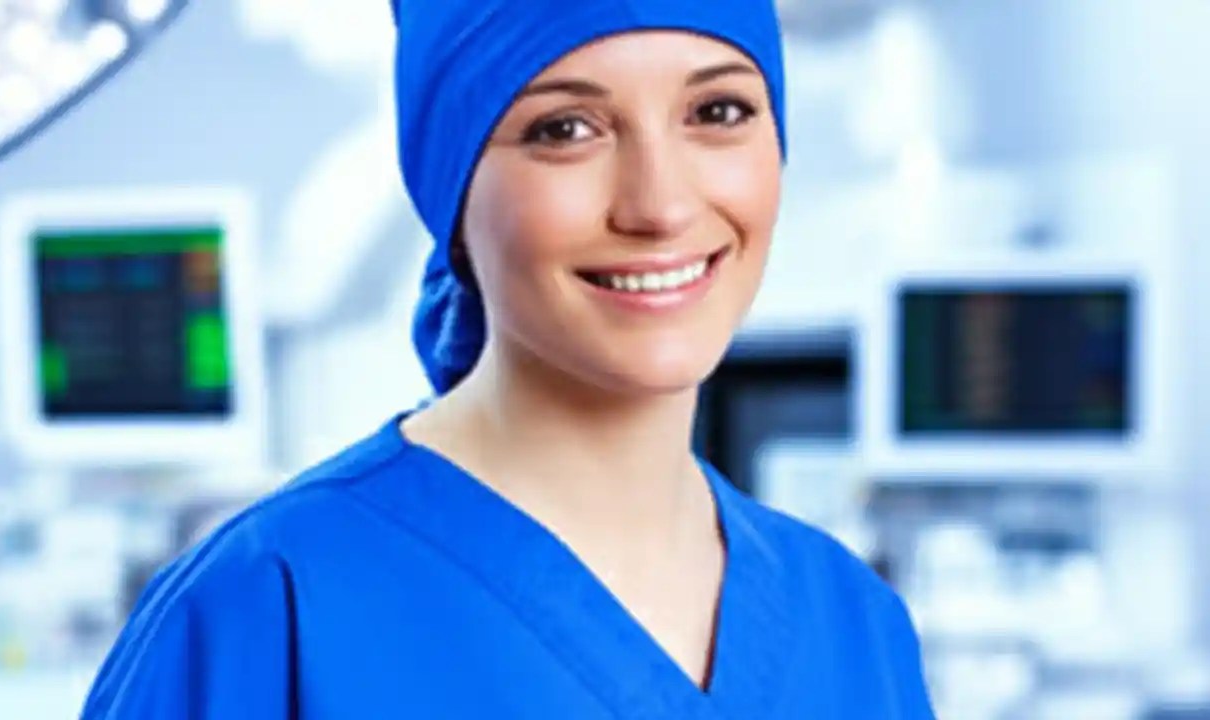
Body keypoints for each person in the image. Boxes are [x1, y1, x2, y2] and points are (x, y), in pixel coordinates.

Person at [80, 0, 937, 717]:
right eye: (566, 129)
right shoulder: (269, 611)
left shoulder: (851, 625)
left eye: (717, 113)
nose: (662, 205)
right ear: (450, 188)